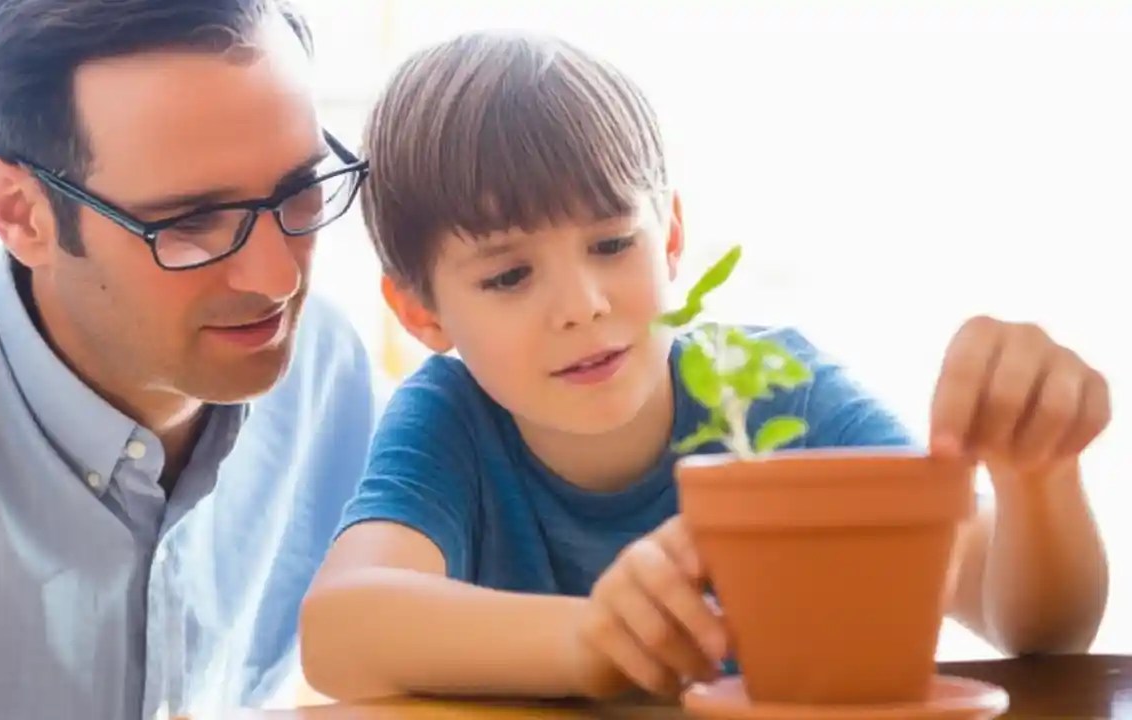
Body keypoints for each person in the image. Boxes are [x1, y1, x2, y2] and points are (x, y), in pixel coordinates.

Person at [298, 30, 1111, 702]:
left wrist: (1039, 479)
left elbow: (1034, 627)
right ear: (422, 313)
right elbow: (338, 632)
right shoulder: (450, 419)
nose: (582, 303)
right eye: (509, 276)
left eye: (613, 244)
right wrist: (593, 638)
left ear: (673, 238)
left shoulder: (767, 384)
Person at [0, 1, 376, 718]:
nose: (278, 280)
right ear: (20, 213)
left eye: (300, 190)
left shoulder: (326, 374)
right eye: (190, 223)